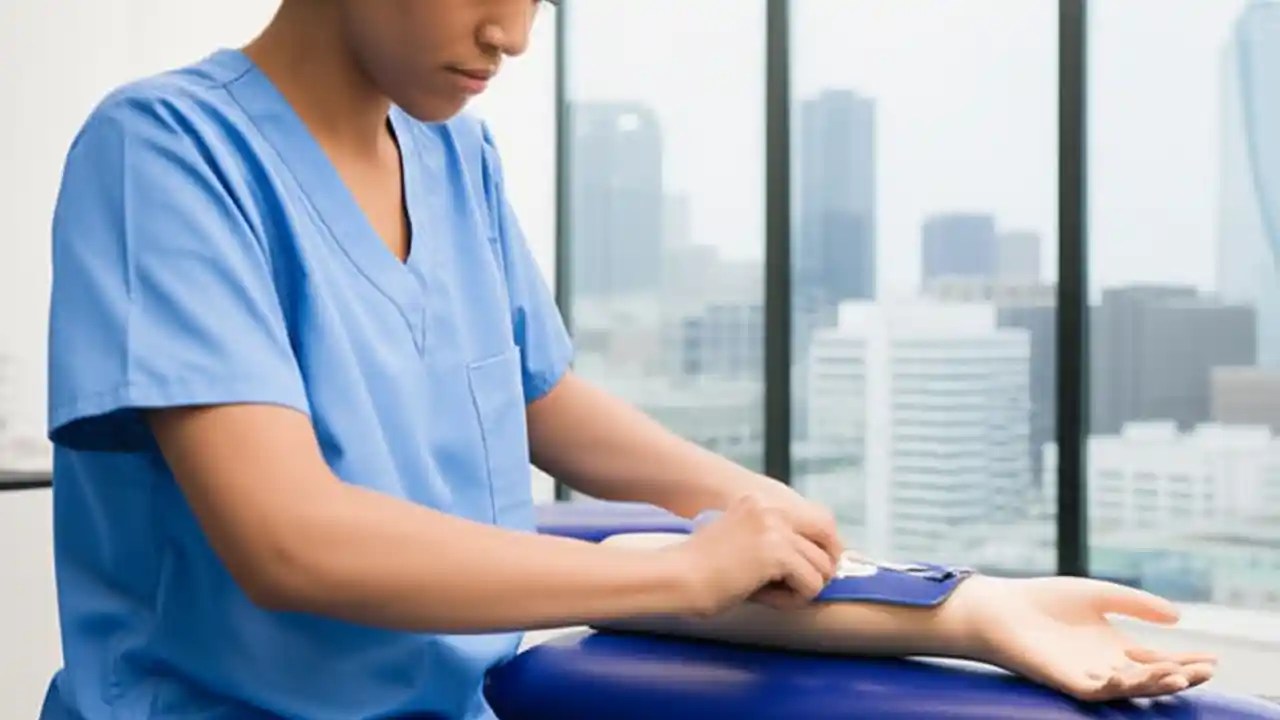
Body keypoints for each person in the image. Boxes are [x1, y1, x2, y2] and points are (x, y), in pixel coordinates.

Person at [40, 1, 1212, 718]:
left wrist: (771, 518)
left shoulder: (455, 158)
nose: (510, 32)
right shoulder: (166, 153)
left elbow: (536, 392)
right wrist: (687, 571)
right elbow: (292, 542)